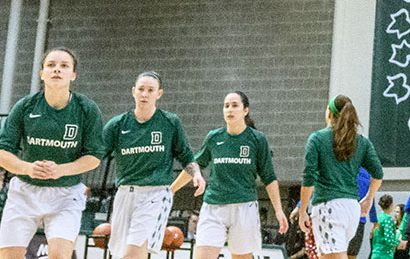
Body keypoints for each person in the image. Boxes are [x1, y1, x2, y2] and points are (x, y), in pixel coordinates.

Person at [0, 48, 105, 259]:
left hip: (66, 193)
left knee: (60, 256)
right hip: (25, 191)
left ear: (73, 75)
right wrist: (28, 168)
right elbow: (2, 154)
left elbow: (93, 158)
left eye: (64, 66)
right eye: (51, 65)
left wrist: (60, 170)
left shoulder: (87, 109)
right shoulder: (25, 106)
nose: (57, 70)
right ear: (42, 73)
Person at [105, 70, 203, 259]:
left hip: (154, 195)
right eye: (141, 89)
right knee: (120, 254)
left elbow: (186, 155)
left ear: (159, 94)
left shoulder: (169, 122)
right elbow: (96, 153)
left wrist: (196, 174)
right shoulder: (117, 125)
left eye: (150, 90)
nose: (144, 94)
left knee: (132, 254)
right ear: (133, 91)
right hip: (125, 193)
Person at [180, 91, 286, 259]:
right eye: (226, 106)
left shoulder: (257, 139)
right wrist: (170, 190)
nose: (229, 109)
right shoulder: (214, 137)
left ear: (245, 110)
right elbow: (194, 165)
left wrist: (279, 210)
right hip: (213, 207)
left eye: (235, 105)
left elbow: (269, 177)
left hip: (244, 208)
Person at [302, 96, 384, 259]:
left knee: (333, 256)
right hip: (352, 209)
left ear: (330, 114)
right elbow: (378, 173)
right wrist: (368, 198)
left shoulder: (317, 138)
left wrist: (303, 208)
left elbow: (309, 177)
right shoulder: (362, 142)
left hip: (328, 206)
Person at [371, 195, 400, 259]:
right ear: (391, 204)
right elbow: (389, 239)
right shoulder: (388, 219)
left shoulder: (378, 217)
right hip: (385, 254)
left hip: (375, 252)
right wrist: (399, 242)